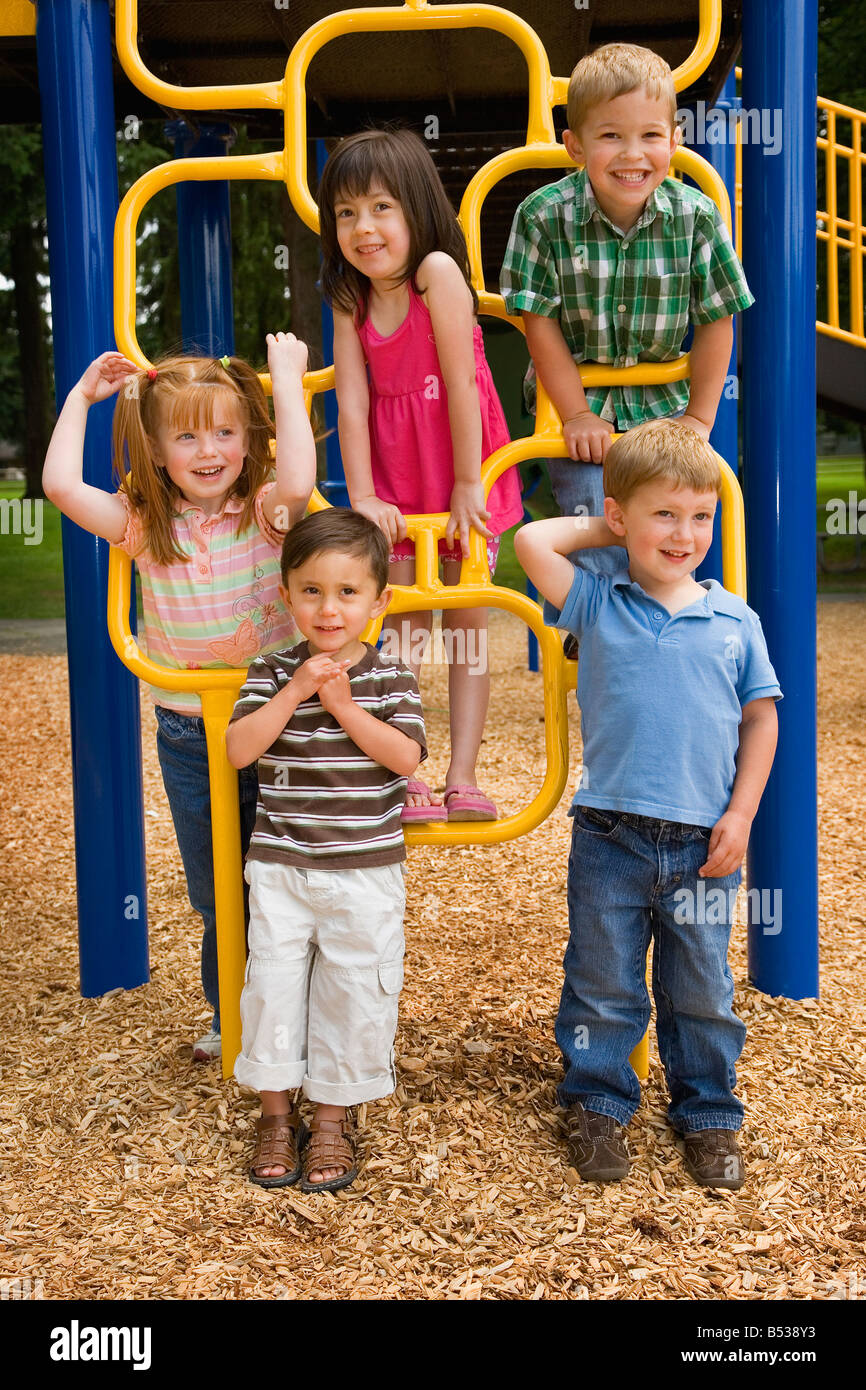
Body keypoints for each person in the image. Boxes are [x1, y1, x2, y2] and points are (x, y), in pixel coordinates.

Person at [514, 420, 781, 1190]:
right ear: (622, 516)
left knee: (702, 987)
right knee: (602, 981)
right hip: (611, 834)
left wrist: (742, 814)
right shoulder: (600, 601)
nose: (685, 533)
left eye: (700, 516)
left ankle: (709, 1113)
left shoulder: (735, 619)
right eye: (665, 514)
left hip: (706, 839)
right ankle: (598, 1104)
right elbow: (535, 541)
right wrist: (614, 523)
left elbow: (761, 718)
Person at [42, 335, 316, 1061]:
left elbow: (297, 479)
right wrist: (80, 400)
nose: (209, 449)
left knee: (291, 879)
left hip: (282, 723)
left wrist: (284, 380)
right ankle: (233, 1014)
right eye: (187, 434)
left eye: (225, 431)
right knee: (218, 888)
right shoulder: (144, 523)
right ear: (157, 449)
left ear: (246, 438)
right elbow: (62, 489)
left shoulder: (264, 512)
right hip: (192, 732)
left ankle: (305, 1018)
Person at [319, 127, 523, 823]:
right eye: (346, 213)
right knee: (401, 624)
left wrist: (470, 482)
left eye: (380, 208)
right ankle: (406, 769)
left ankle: (462, 776)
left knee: (465, 623)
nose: (363, 228)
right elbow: (350, 402)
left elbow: (463, 384)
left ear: (415, 209)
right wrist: (365, 495)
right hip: (398, 485)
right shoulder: (349, 297)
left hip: (460, 467)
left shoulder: (435, 271)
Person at [501, 42, 754, 586]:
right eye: (611, 135)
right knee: (593, 509)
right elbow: (537, 322)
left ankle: (668, 617)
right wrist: (575, 415)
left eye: (650, 136)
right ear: (574, 145)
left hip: (665, 406)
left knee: (671, 515)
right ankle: (596, 627)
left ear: (674, 140)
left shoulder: (696, 216)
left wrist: (699, 421)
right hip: (578, 396)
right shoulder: (544, 215)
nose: (632, 154)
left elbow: (718, 318)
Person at [226, 508, 426, 1192]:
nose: (329, 608)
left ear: (379, 601)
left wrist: (342, 708)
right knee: (274, 989)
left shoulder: (391, 677)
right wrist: (296, 692)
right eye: (311, 590)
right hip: (282, 868)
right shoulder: (271, 670)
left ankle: (333, 1120)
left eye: (347, 592)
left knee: (352, 992)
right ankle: (277, 1116)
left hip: (365, 872)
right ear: (287, 595)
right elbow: (239, 750)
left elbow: (404, 757)